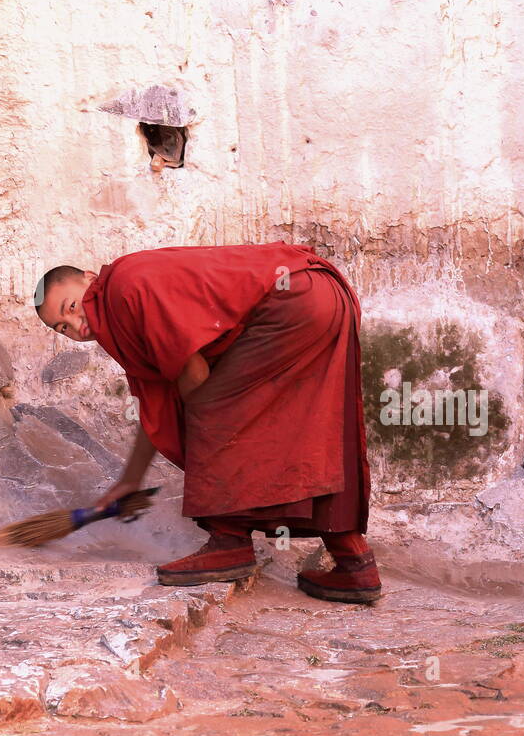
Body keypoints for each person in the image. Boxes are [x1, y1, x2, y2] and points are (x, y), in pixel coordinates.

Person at [33, 242, 381, 603]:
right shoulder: (120, 310)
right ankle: (355, 564)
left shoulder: (124, 287)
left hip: (293, 301)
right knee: (308, 431)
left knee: (212, 408)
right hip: (320, 297)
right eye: (62, 328)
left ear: (90, 278)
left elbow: (191, 375)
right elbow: (158, 401)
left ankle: (228, 544)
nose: (76, 325)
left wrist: (205, 431)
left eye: (71, 307)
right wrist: (131, 480)